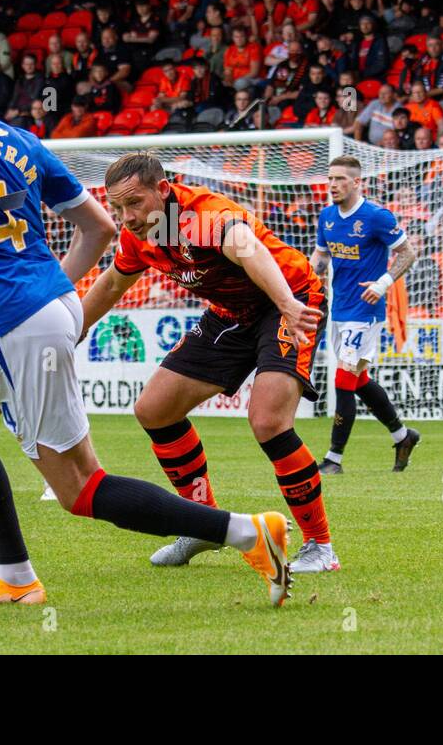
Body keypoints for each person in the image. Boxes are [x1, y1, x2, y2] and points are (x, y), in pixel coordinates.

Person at [0, 41, 295, 607]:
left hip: (16, 322)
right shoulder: (20, 140)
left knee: (80, 489)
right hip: (44, 306)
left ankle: (248, 532)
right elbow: (101, 227)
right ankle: (15, 578)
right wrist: (46, 294)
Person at [78, 151, 336, 575]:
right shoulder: (138, 235)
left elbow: (248, 249)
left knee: (268, 421)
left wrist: (288, 304)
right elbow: (110, 286)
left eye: (135, 203)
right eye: (118, 208)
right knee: (155, 409)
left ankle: (320, 546)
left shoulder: (204, 215)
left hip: (287, 301)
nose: (127, 217)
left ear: (163, 189)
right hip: (231, 314)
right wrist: (74, 328)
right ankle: (203, 525)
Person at [309, 155, 421, 477]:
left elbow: (408, 252)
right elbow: (321, 256)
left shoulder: (375, 216)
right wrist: (306, 279)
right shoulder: (327, 216)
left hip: (366, 312)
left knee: (343, 380)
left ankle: (333, 459)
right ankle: (402, 436)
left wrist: (383, 283)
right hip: (340, 309)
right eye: (330, 178)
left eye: (340, 179)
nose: (333, 185)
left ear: (357, 182)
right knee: (359, 381)